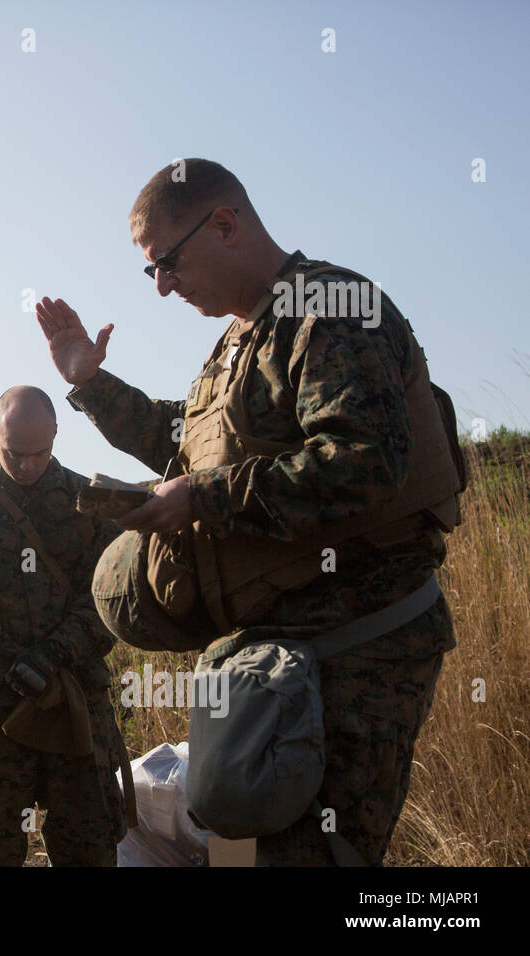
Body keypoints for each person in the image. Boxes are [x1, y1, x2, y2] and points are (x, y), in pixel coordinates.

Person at [34, 158, 462, 866]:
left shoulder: (330, 310)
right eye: (152, 274)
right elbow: (191, 441)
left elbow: (364, 461)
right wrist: (91, 383)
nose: (164, 287)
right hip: (272, 662)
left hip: (355, 657)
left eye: (167, 263)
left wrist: (201, 499)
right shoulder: (239, 340)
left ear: (225, 224)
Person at [0, 386, 129, 865]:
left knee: (90, 844)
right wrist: (9, 662)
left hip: (74, 699)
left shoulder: (90, 504)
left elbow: (107, 599)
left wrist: (52, 656)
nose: (29, 465)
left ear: (56, 435)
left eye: (41, 452)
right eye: (15, 453)